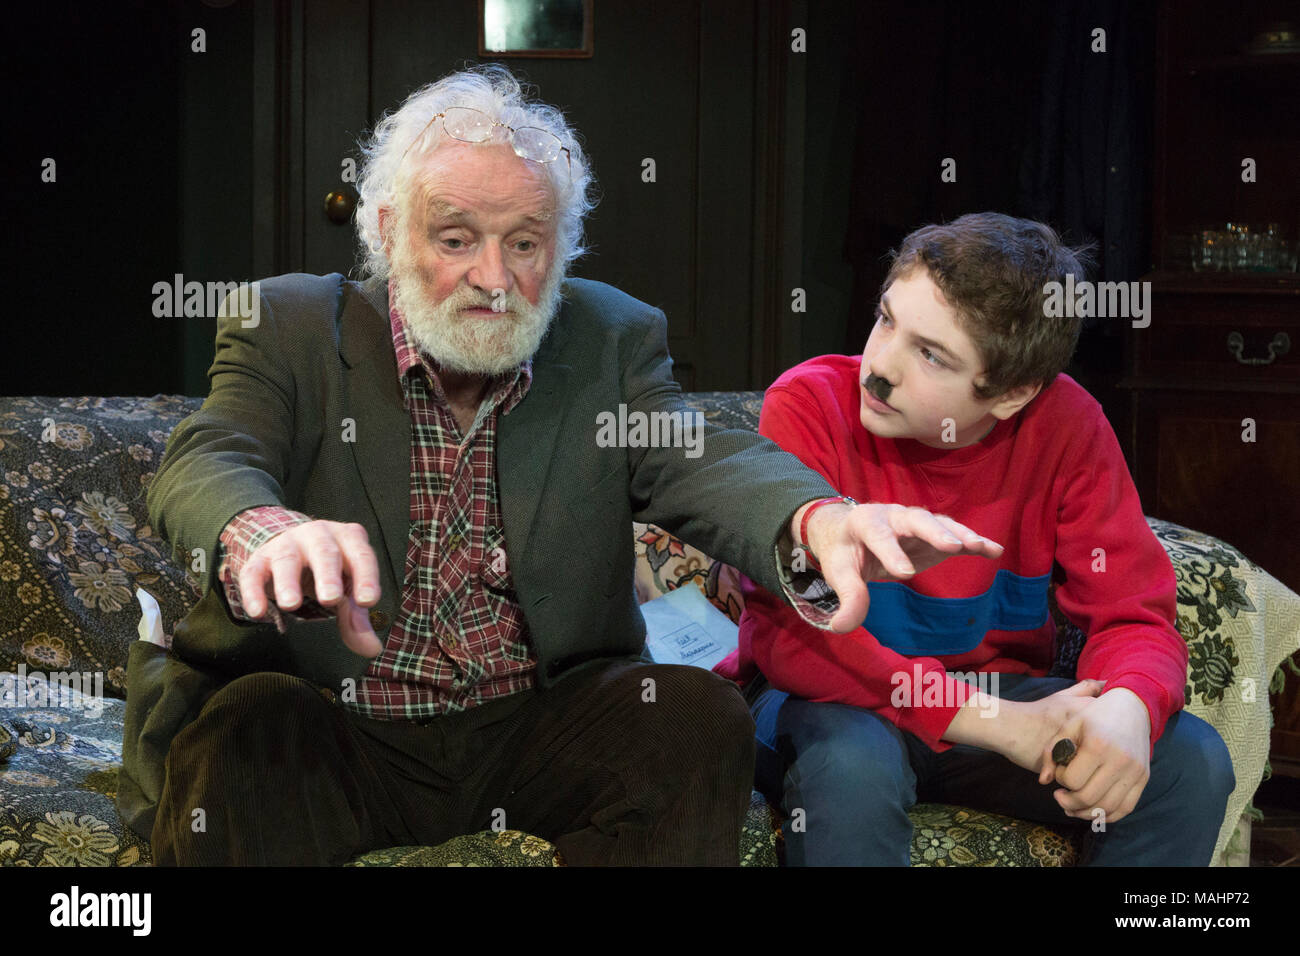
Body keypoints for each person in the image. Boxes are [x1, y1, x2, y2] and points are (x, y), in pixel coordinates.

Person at [118, 66, 1000, 866]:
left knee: (692, 722)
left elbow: (699, 455)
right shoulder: (291, 326)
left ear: (561, 248)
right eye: (455, 239)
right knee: (246, 728)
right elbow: (210, 454)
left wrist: (817, 519)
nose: (494, 278)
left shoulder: (610, 337)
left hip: (530, 729)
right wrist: (262, 529)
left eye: (526, 244)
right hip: (336, 724)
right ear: (388, 233)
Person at [714, 212, 1235, 866]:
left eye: (930, 355)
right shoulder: (808, 406)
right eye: (885, 319)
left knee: (1190, 761)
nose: (879, 367)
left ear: (1012, 394)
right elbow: (799, 634)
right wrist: (994, 724)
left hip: (993, 701)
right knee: (853, 767)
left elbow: (1133, 613)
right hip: (826, 702)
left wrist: (1129, 707)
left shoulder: (1068, 426)